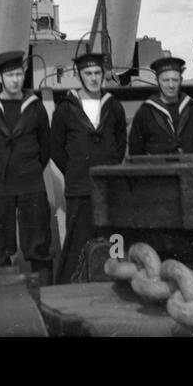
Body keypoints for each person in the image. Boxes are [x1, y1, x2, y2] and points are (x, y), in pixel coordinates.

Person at [0, 51, 53, 283]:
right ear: (0, 78)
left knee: (39, 243)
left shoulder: (35, 107)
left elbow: (45, 146)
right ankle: (5, 299)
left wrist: (32, 169)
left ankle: (46, 295)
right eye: (10, 75)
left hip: (30, 182)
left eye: (18, 74)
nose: (15, 80)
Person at [51, 51, 127, 284]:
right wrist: (75, 169)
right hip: (79, 186)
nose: (94, 78)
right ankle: (71, 285)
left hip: (108, 185)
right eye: (88, 73)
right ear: (79, 75)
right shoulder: (65, 109)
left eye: (97, 73)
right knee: (78, 238)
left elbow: (120, 143)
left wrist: (110, 169)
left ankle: (116, 280)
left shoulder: (113, 107)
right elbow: (56, 149)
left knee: (113, 236)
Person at [129, 55, 193, 155]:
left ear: (181, 80)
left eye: (175, 80)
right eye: (165, 80)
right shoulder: (145, 113)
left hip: (189, 168)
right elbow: (136, 151)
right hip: (158, 169)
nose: (171, 85)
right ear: (157, 81)